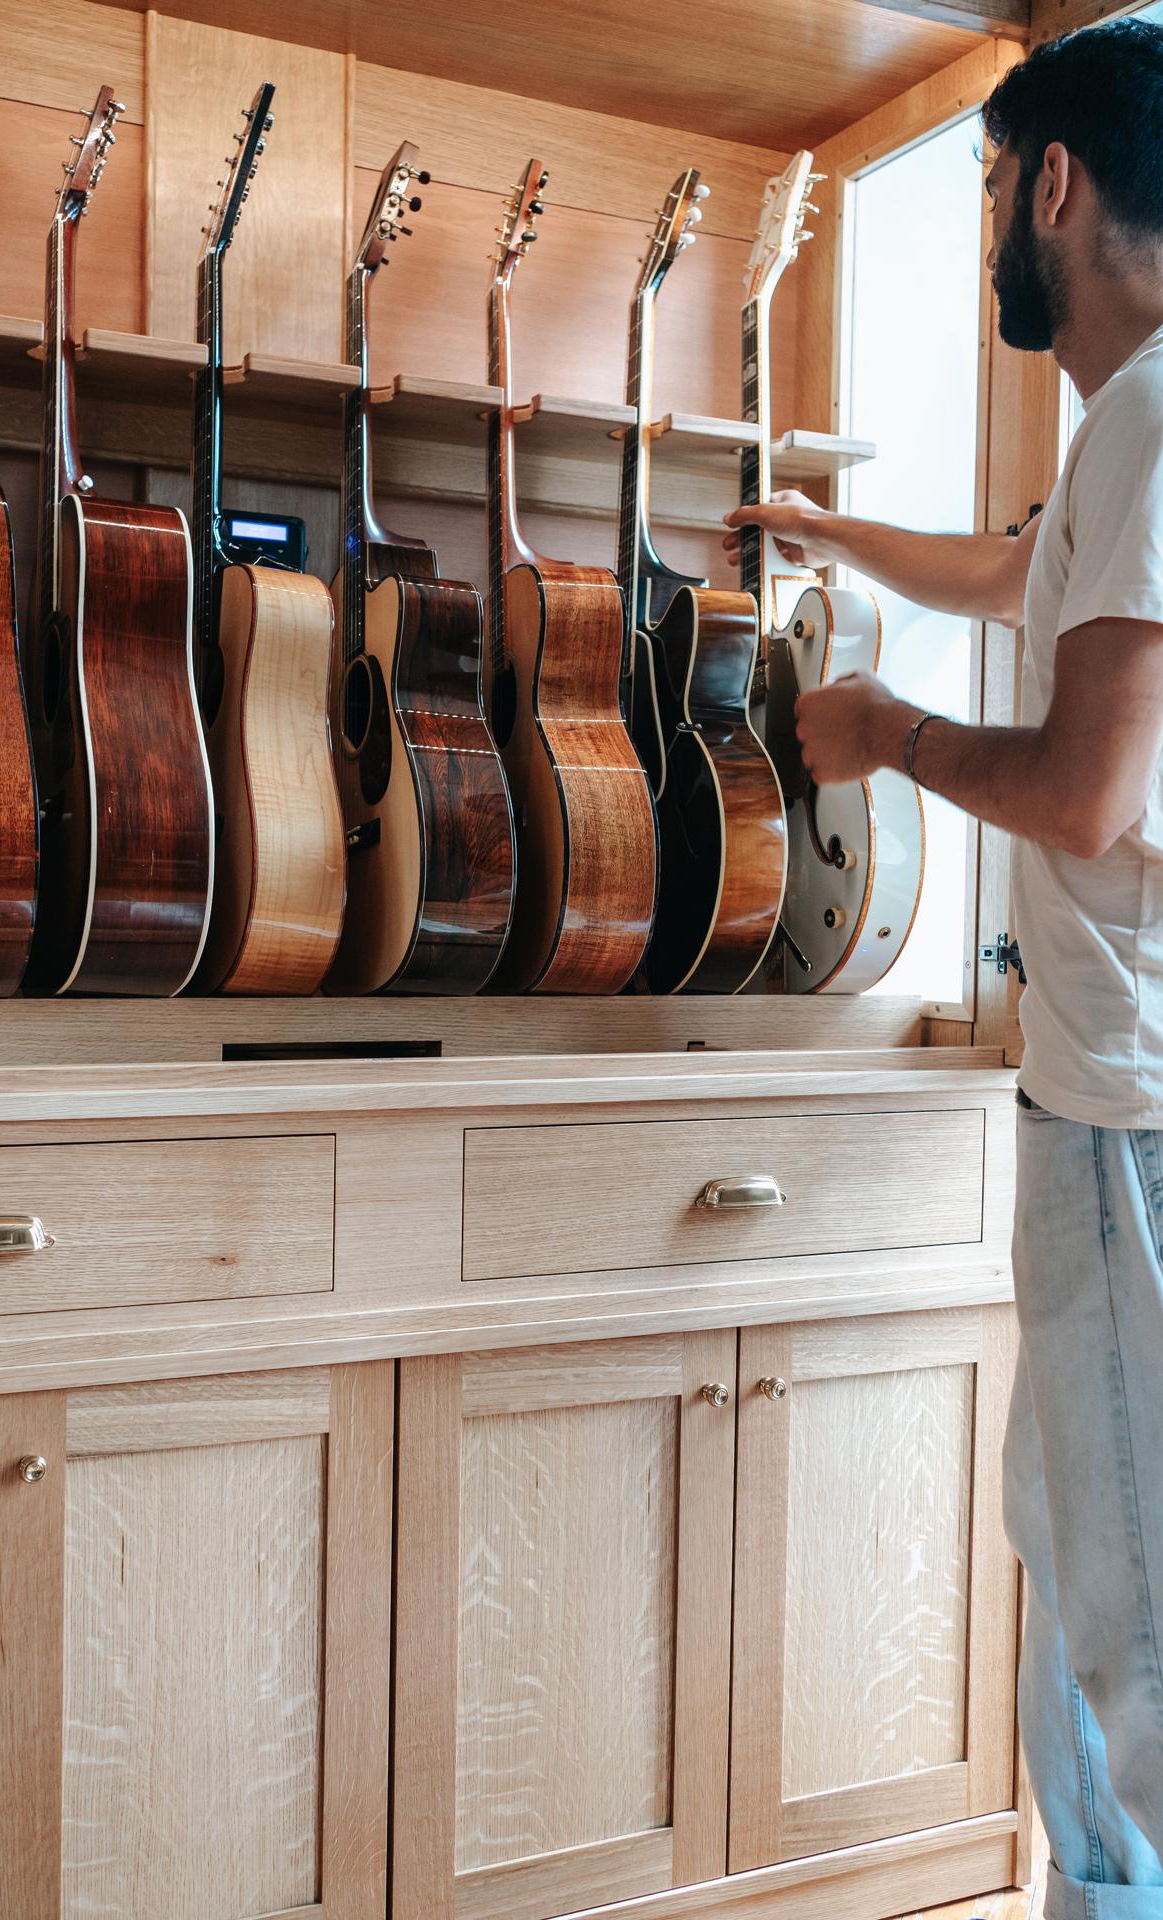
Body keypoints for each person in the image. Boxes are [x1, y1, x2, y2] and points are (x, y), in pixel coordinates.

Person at [724, 20, 1163, 1917]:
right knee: (1069, 1567)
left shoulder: (1152, 419)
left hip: (1127, 1115)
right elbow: (1015, 572)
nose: (989, 216)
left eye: (990, 181)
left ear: (1050, 182)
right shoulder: (1120, 436)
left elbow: (1082, 792)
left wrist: (886, 738)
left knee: (1133, 1632)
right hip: (1097, 1101)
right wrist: (833, 537)